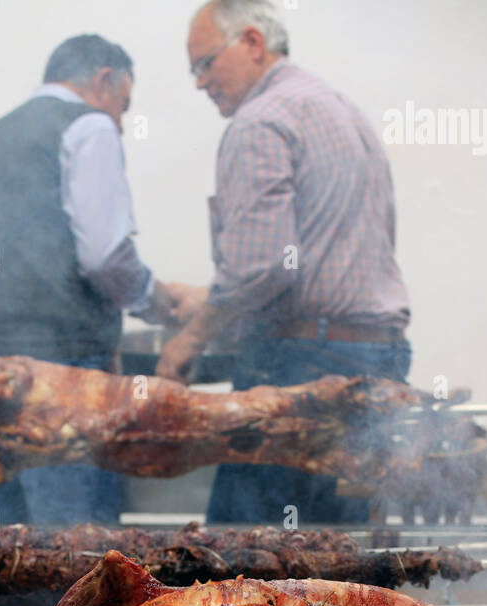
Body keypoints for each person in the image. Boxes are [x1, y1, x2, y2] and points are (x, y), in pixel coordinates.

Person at [156, 0, 412, 526]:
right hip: (373, 361)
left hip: (300, 365)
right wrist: (211, 295)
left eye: (205, 63)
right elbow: (312, 255)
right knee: (338, 571)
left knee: (240, 560)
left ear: (252, 42)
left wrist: (189, 339)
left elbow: (262, 266)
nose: (200, 83)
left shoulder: (260, 121)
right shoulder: (338, 108)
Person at [0, 34, 184, 526]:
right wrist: (160, 302)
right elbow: (103, 256)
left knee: (2, 555)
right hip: (58, 372)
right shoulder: (90, 127)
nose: (121, 121)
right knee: (78, 556)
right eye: (124, 105)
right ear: (102, 81)